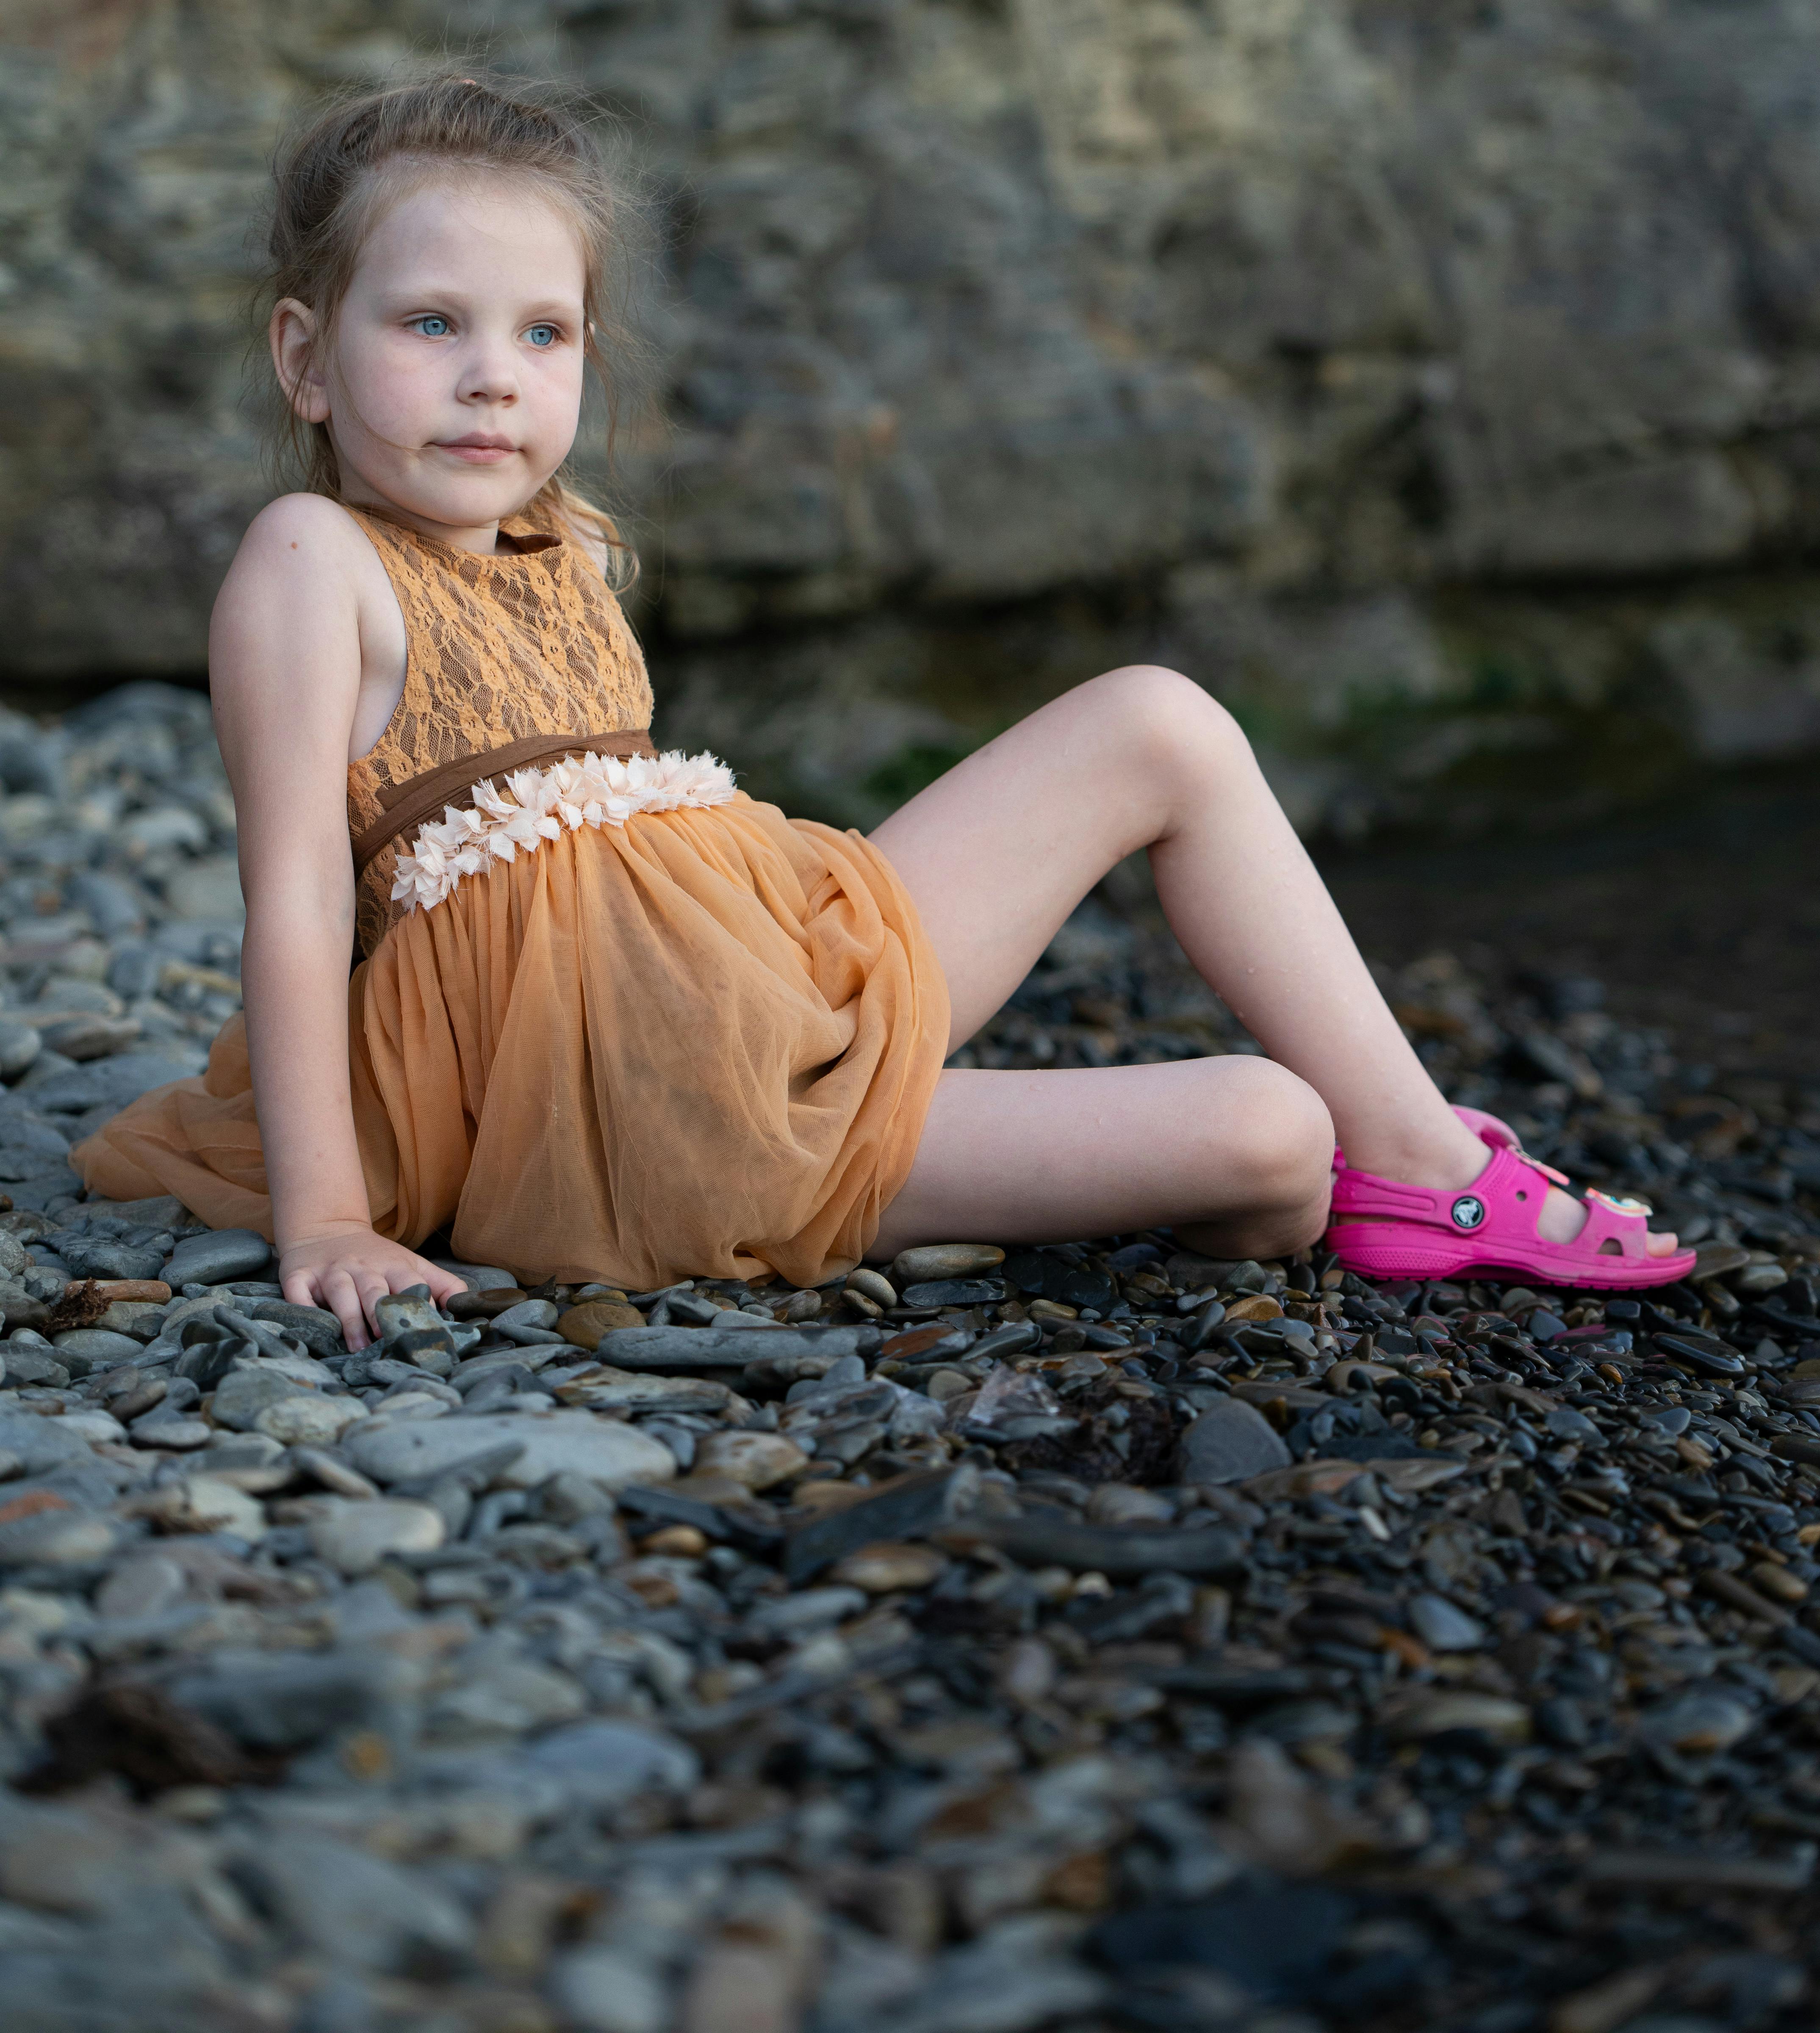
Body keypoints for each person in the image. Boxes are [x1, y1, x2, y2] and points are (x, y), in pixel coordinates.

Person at [79, 78, 1691, 1346]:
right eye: (430, 325)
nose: (493, 377)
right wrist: (327, 1221)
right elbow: (294, 906)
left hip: (757, 985)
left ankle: (1421, 1169)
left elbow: (632, 873)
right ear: (305, 358)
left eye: (542, 332)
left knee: (1159, 716)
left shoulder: (560, 541)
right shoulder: (314, 562)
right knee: (1274, 1130)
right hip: (650, 1115)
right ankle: (1294, 1171)